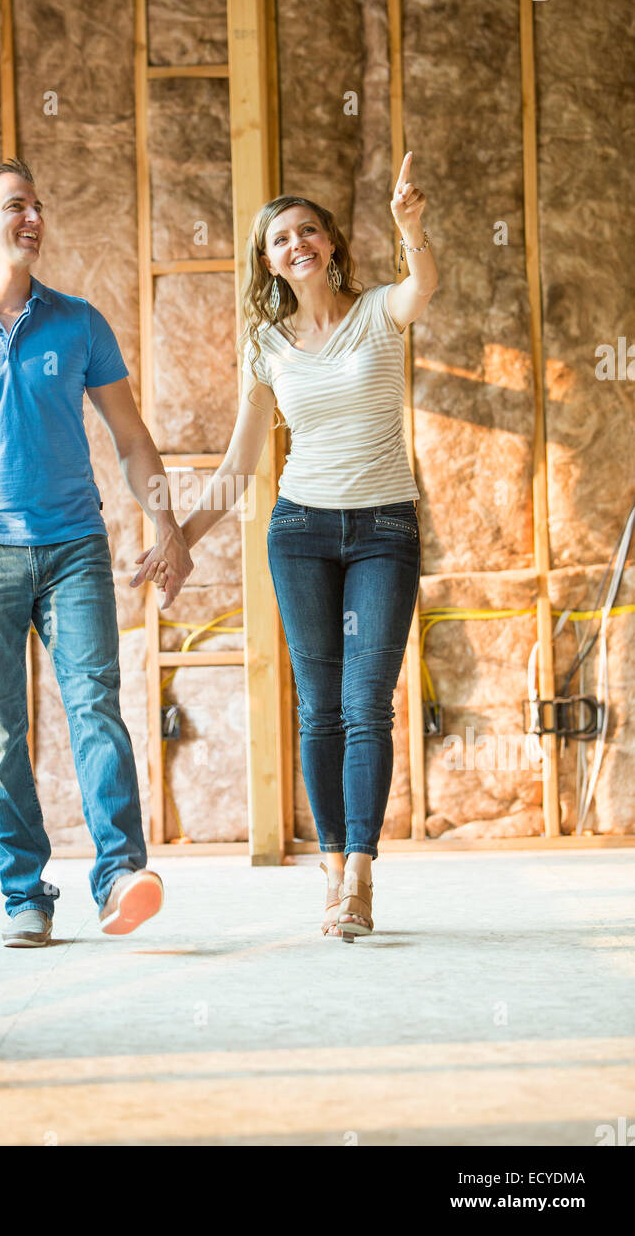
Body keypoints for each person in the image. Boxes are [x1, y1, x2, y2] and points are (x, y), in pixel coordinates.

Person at [0, 157, 193, 947]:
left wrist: (167, 526)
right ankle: (25, 892)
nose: (34, 219)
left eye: (39, 207)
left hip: (74, 547)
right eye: (16, 206)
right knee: (0, 732)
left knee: (96, 707)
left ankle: (120, 873)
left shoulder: (78, 321)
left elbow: (130, 439)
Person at [141, 152, 438, 939]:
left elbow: (423, 288)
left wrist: (412, 230)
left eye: (309, 230)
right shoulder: (266, 345)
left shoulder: (379, 311)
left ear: (333, 243)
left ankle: (363, 880)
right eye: (280, 239)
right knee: (319, 709)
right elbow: (242, 464)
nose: (297, 244)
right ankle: (333, 869)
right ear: (267, 261)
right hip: (301, 531)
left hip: (384, 530)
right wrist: (183, 538)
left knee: (366, 702)